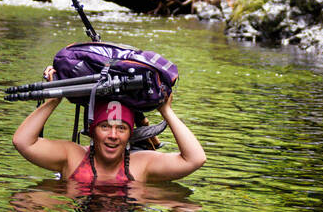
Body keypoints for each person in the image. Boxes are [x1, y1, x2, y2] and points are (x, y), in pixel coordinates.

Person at [12, 69, 206, 187]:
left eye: (121, 128)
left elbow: (195, 159)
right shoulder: (72, 157)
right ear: (92, 130)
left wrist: (166, 112)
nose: (113, 135)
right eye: (105, 126)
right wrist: (53, 101)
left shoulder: (141, 165)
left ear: (130, 133)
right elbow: (22, 142)